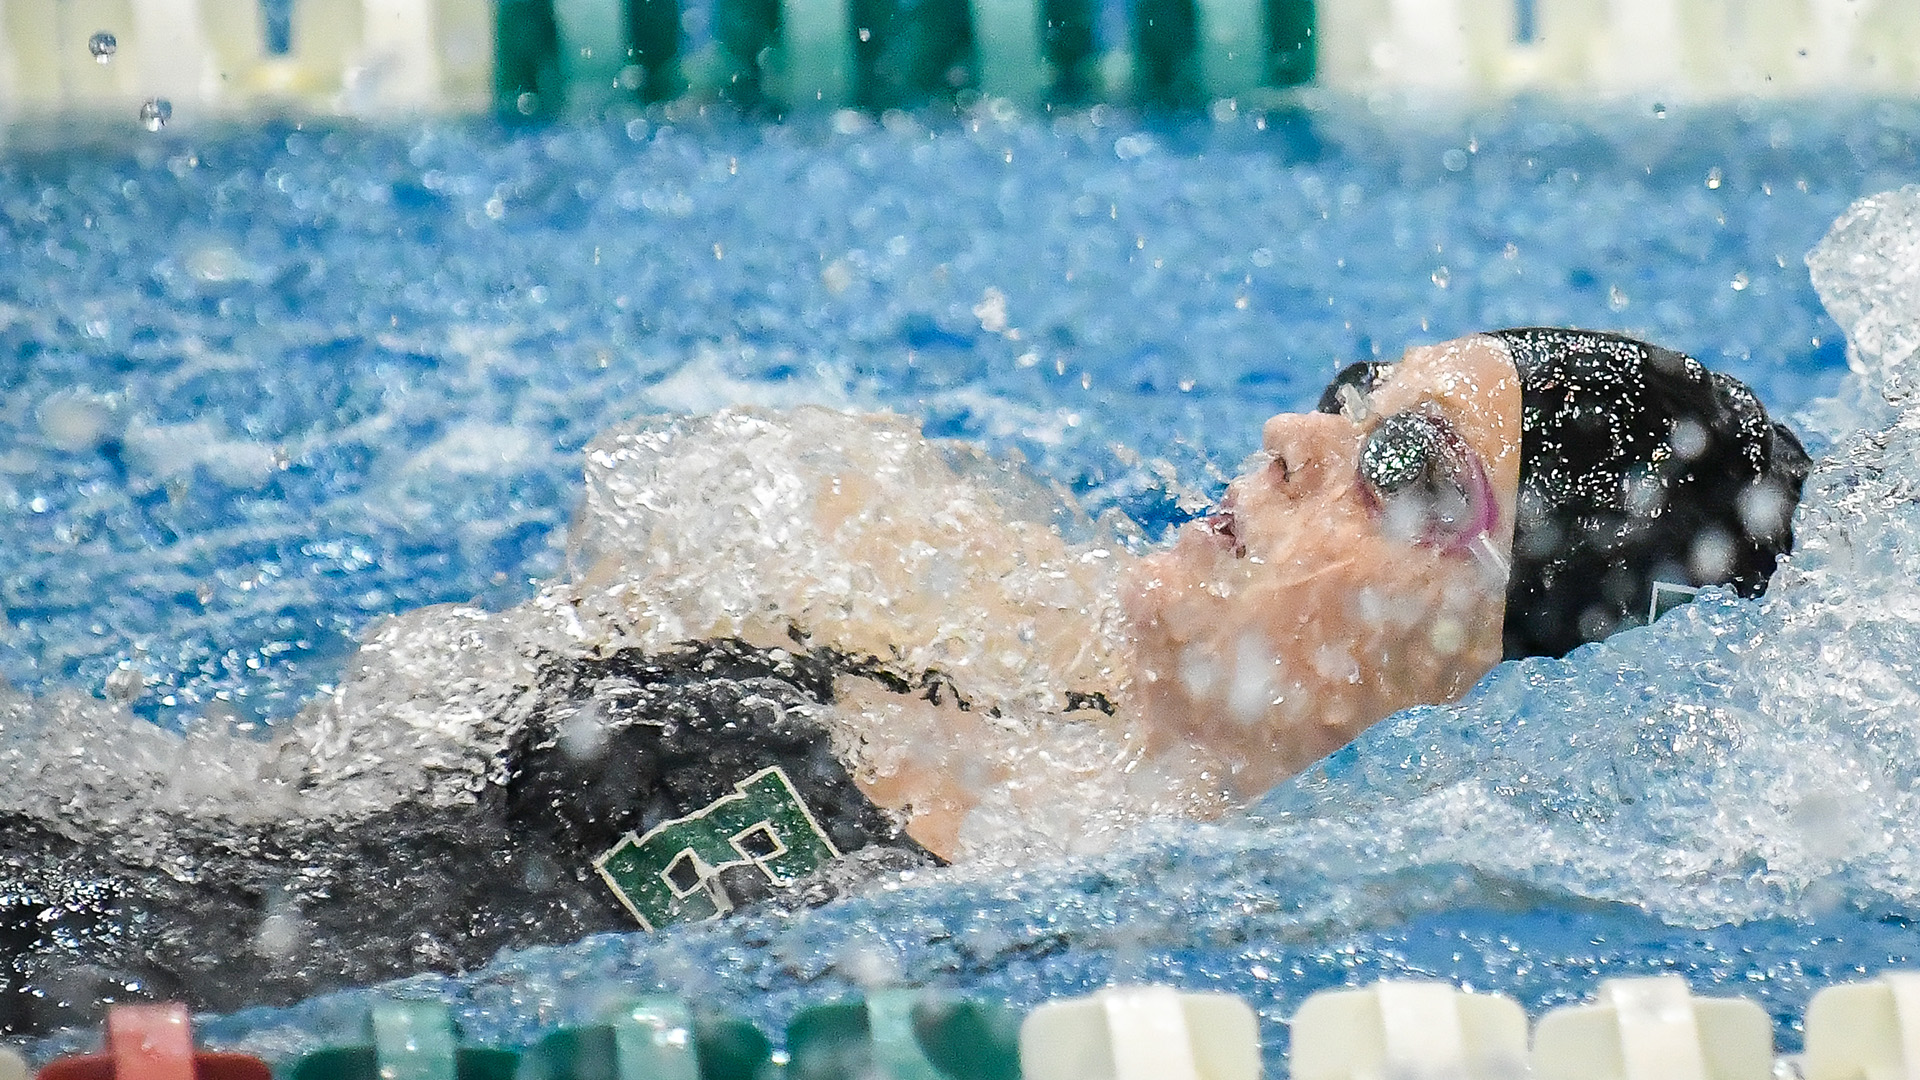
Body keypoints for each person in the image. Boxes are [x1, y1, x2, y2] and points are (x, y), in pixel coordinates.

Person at [0, 328, 1810, 1035]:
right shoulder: (1004, 624)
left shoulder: (1136, 959)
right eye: (1351, 395)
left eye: (1407, 469)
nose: (1292, 437)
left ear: (1504, 671)